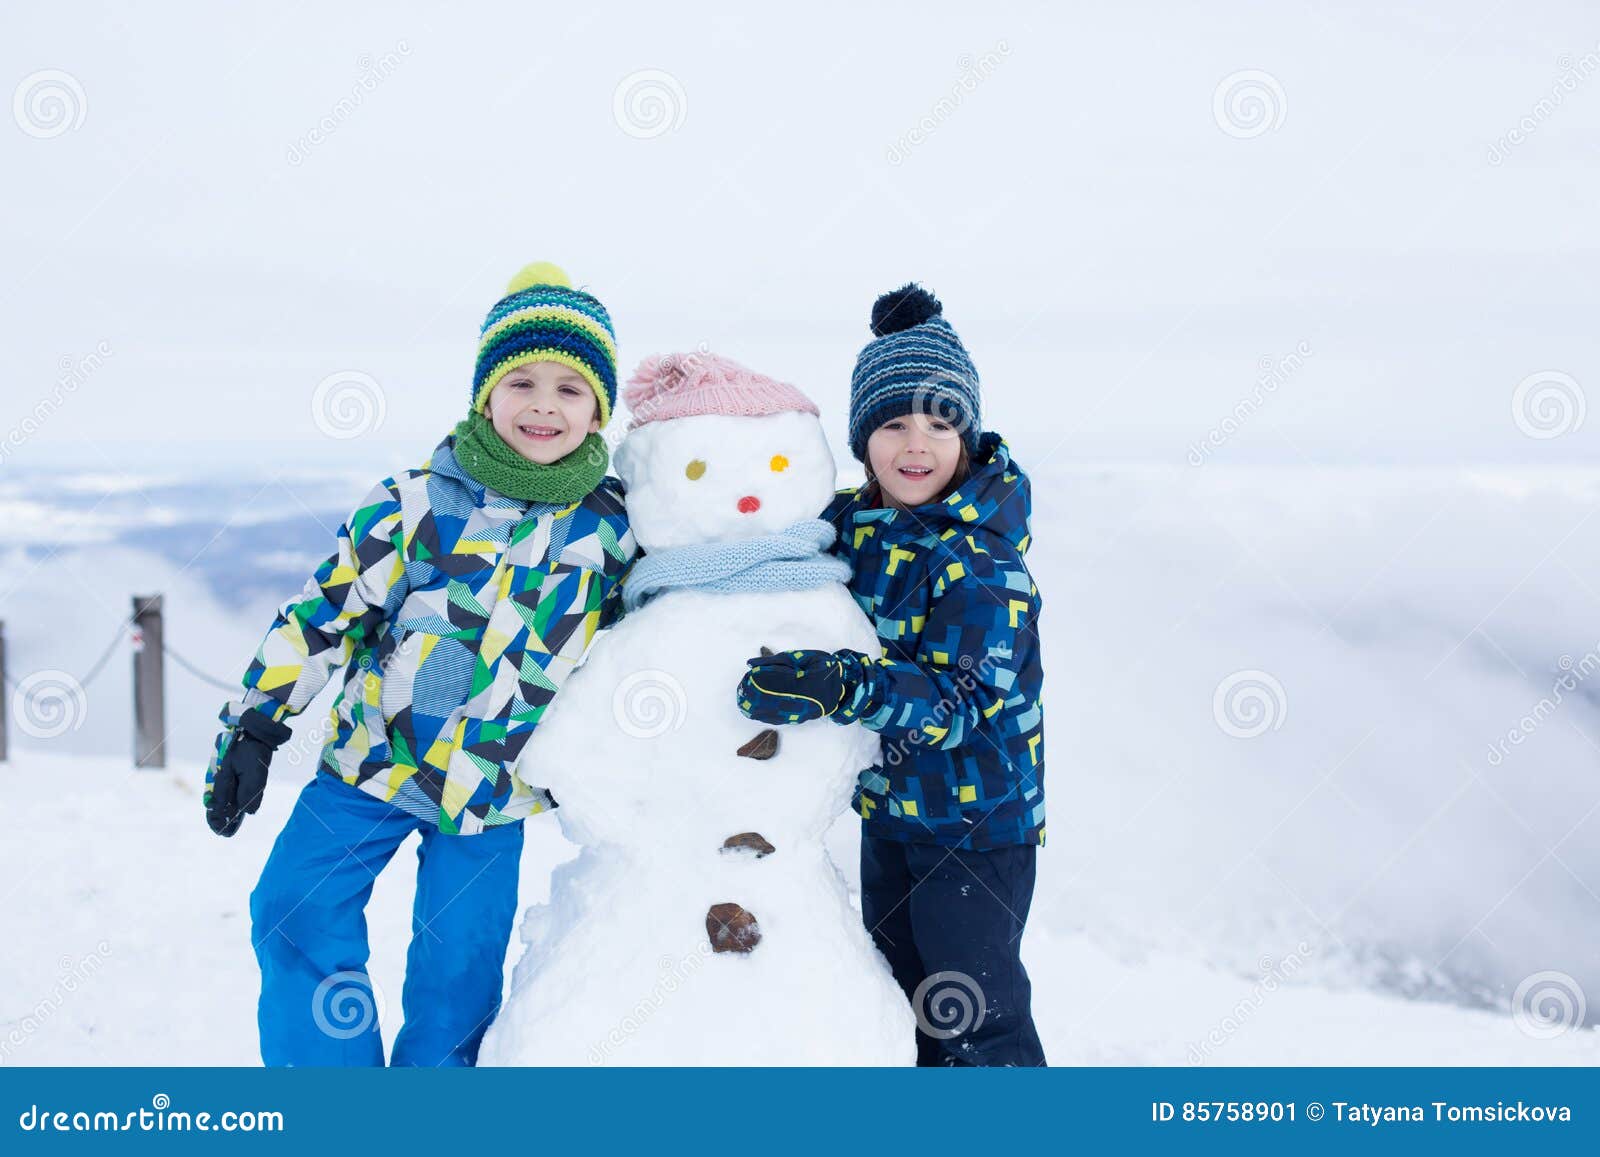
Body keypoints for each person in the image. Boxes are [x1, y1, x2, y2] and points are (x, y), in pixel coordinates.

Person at [203, 261, 636, 1066]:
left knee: (458, 976)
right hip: (370, 762)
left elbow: (675, 607)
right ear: (485, 394)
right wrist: (258, 721)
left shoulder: (611, 531)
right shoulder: (413, 502)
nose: (544, 403)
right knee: (294, 907)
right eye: (523, 381)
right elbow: (323, 611)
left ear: (599, 409)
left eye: (570, 388)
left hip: (491, 790)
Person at [736, 283, 1046, 1065]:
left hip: (977, 830)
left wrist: (842, 684)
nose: (917, 444)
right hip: (894, 817)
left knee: (974, 1020)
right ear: (862, 438)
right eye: (893, 423)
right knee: (901, 1001)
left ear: (967, 439)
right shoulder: (856, 526)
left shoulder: (984, 562)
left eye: (941, 424)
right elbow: (766, 533)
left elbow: (957, 701)